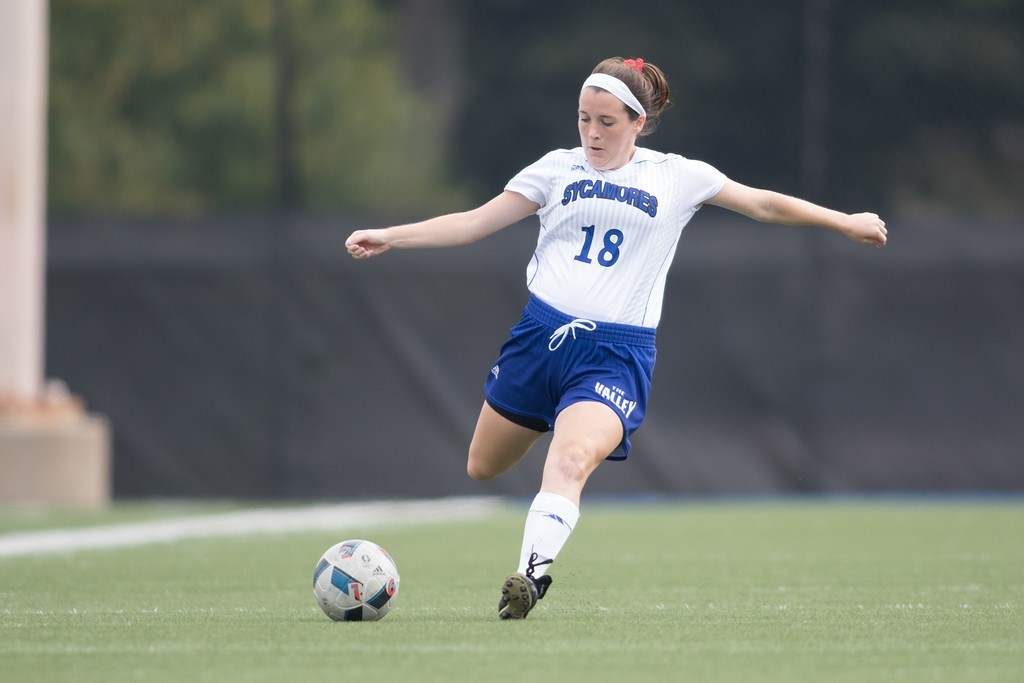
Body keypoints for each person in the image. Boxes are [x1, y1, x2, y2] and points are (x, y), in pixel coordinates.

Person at [345, 56, 887, 620]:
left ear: (638, 122)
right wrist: (391, 236)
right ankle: (556, 418)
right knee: (483, 465)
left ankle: (530, 575)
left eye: (606, 122)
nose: (593, 133)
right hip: (538, 341)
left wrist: (843, 220)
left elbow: (763, 204)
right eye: (584, 119)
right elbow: (473, 221)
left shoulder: (677, 176)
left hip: (613, 356)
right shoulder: (556, 169)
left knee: (571, 458)